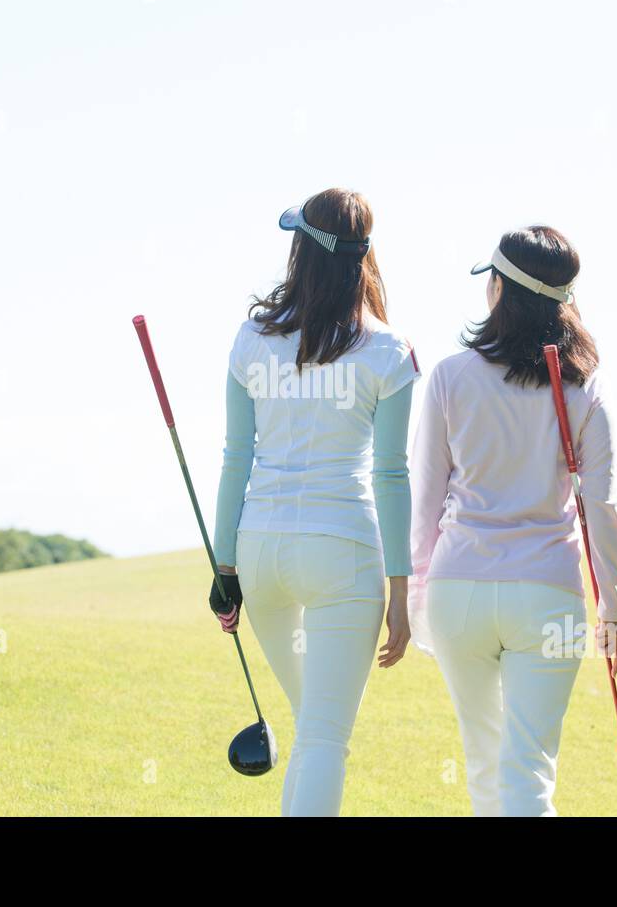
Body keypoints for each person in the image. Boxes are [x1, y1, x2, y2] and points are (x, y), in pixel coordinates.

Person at [211, 188, 419, 817]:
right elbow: (390, 475)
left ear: (302, 249)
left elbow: (235, 459)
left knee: (311, 732)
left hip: (261, 552)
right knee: (325, 738)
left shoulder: (251, 339)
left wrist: (225, 571)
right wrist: (402, 594)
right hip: (344, 555)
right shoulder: (389, 351)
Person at [408, 225, 617, 817]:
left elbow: (425, 496)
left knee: (484, 765)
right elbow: (602, 506)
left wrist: (417, 594)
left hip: (460, 593)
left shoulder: (450, 376)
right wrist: (615, 606)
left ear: (501, 290)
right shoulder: (587, 386)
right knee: (527, 771)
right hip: (548, 595)